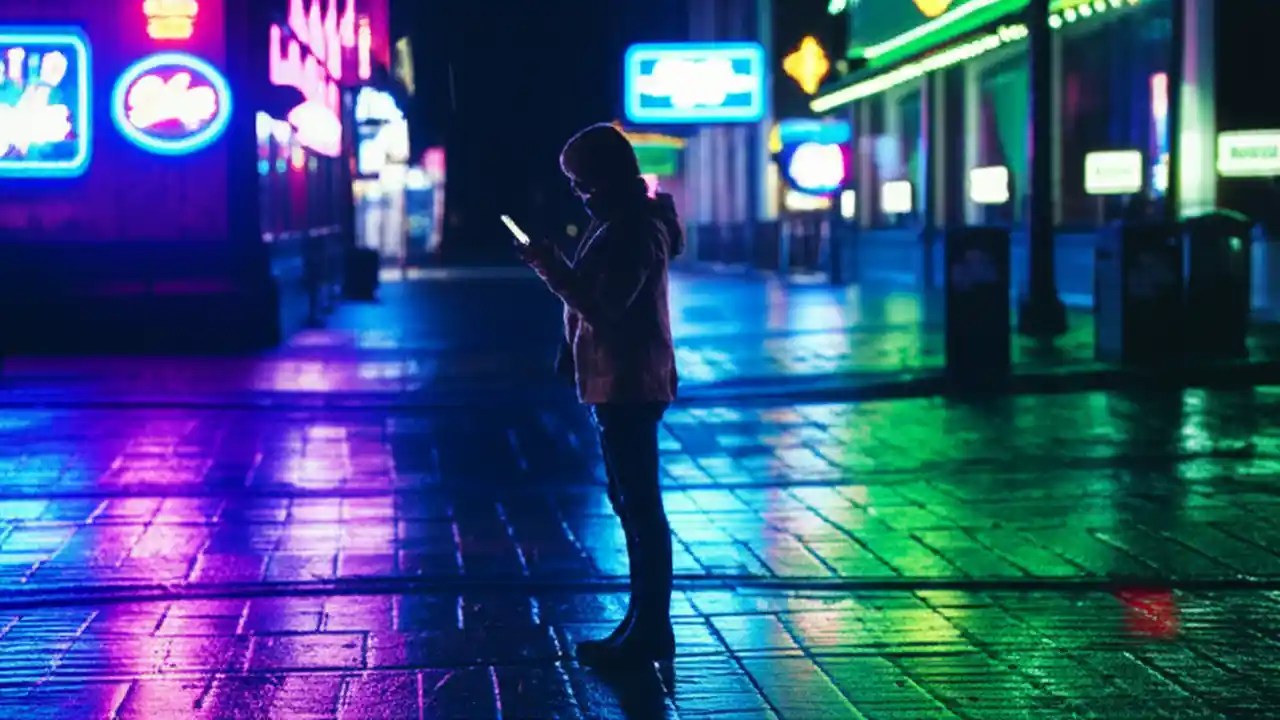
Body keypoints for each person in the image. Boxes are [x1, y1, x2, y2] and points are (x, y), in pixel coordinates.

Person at [515, 123, 683, 668]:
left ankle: (650, 628)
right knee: (630, 503)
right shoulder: (618, 221)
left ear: (609, 175)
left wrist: (551, 267)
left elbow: (605, 304)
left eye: (584, 182)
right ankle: (641, 623)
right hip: (618, 380)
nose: (580, 193)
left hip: (630, 381)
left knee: (640, 506)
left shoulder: (632, 228)